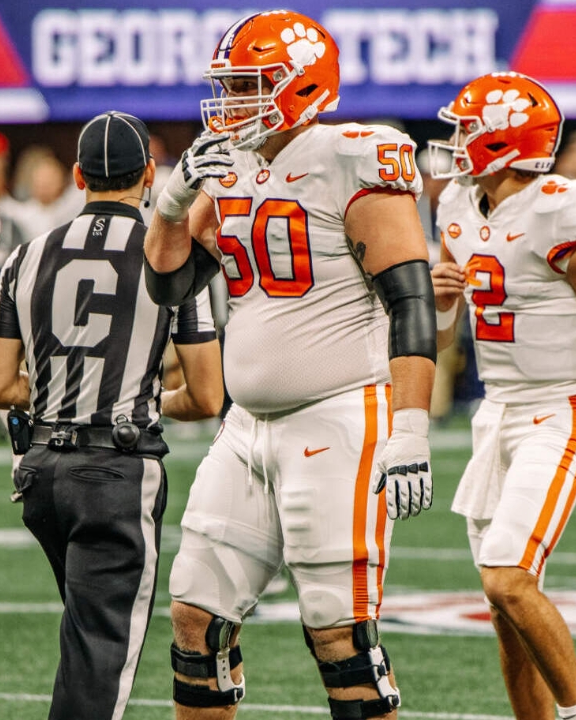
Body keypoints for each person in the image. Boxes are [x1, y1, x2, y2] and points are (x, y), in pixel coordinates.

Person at [144, 10, 437, 717]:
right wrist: (174, 200)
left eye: (250, 85)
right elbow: (168, 283)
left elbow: (412, 300)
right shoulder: (231, 167)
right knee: (194, 620)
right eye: (231, 86)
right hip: (247, 426)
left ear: (300, 86)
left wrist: (412, 427)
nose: (233, 102)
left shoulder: (355, 154)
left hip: (338, 416)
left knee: (339, 634)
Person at [0, 110, 222, 719]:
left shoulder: (28, 254)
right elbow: (207, 397)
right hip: (114, 472)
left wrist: (73, 393)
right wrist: (136, 396)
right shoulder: (168, 256)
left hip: (41, 472)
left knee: (84, 638)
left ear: (78, 174)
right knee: (99, 661)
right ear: (148, 174)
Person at [428, 72, 576, 720]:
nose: (456, 140)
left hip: (561, 409)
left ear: (505, 141)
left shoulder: (561, 208)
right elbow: (444, 334)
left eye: (469, 129)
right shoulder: (458, 207)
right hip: (494, 413)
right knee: (504, 608)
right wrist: (442, 303)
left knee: (507, 577)